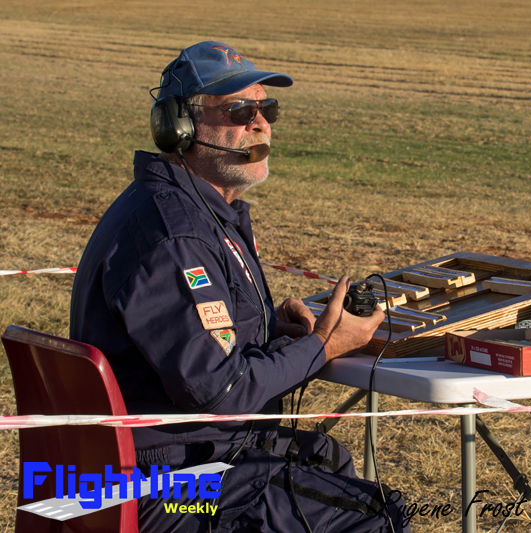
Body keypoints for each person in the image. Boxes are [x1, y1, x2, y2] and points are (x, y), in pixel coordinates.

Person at [70, 41, 408, 533]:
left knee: (327, 457)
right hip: (170, 490)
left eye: (266, 108)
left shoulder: (201, 211)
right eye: (238, 109)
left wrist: (270, 330)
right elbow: (219, 391)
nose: (261, 124)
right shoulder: (174, 234)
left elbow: (195, 344)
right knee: (379, 517)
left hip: (184, 460)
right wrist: (319, 347)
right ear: (179, 128)